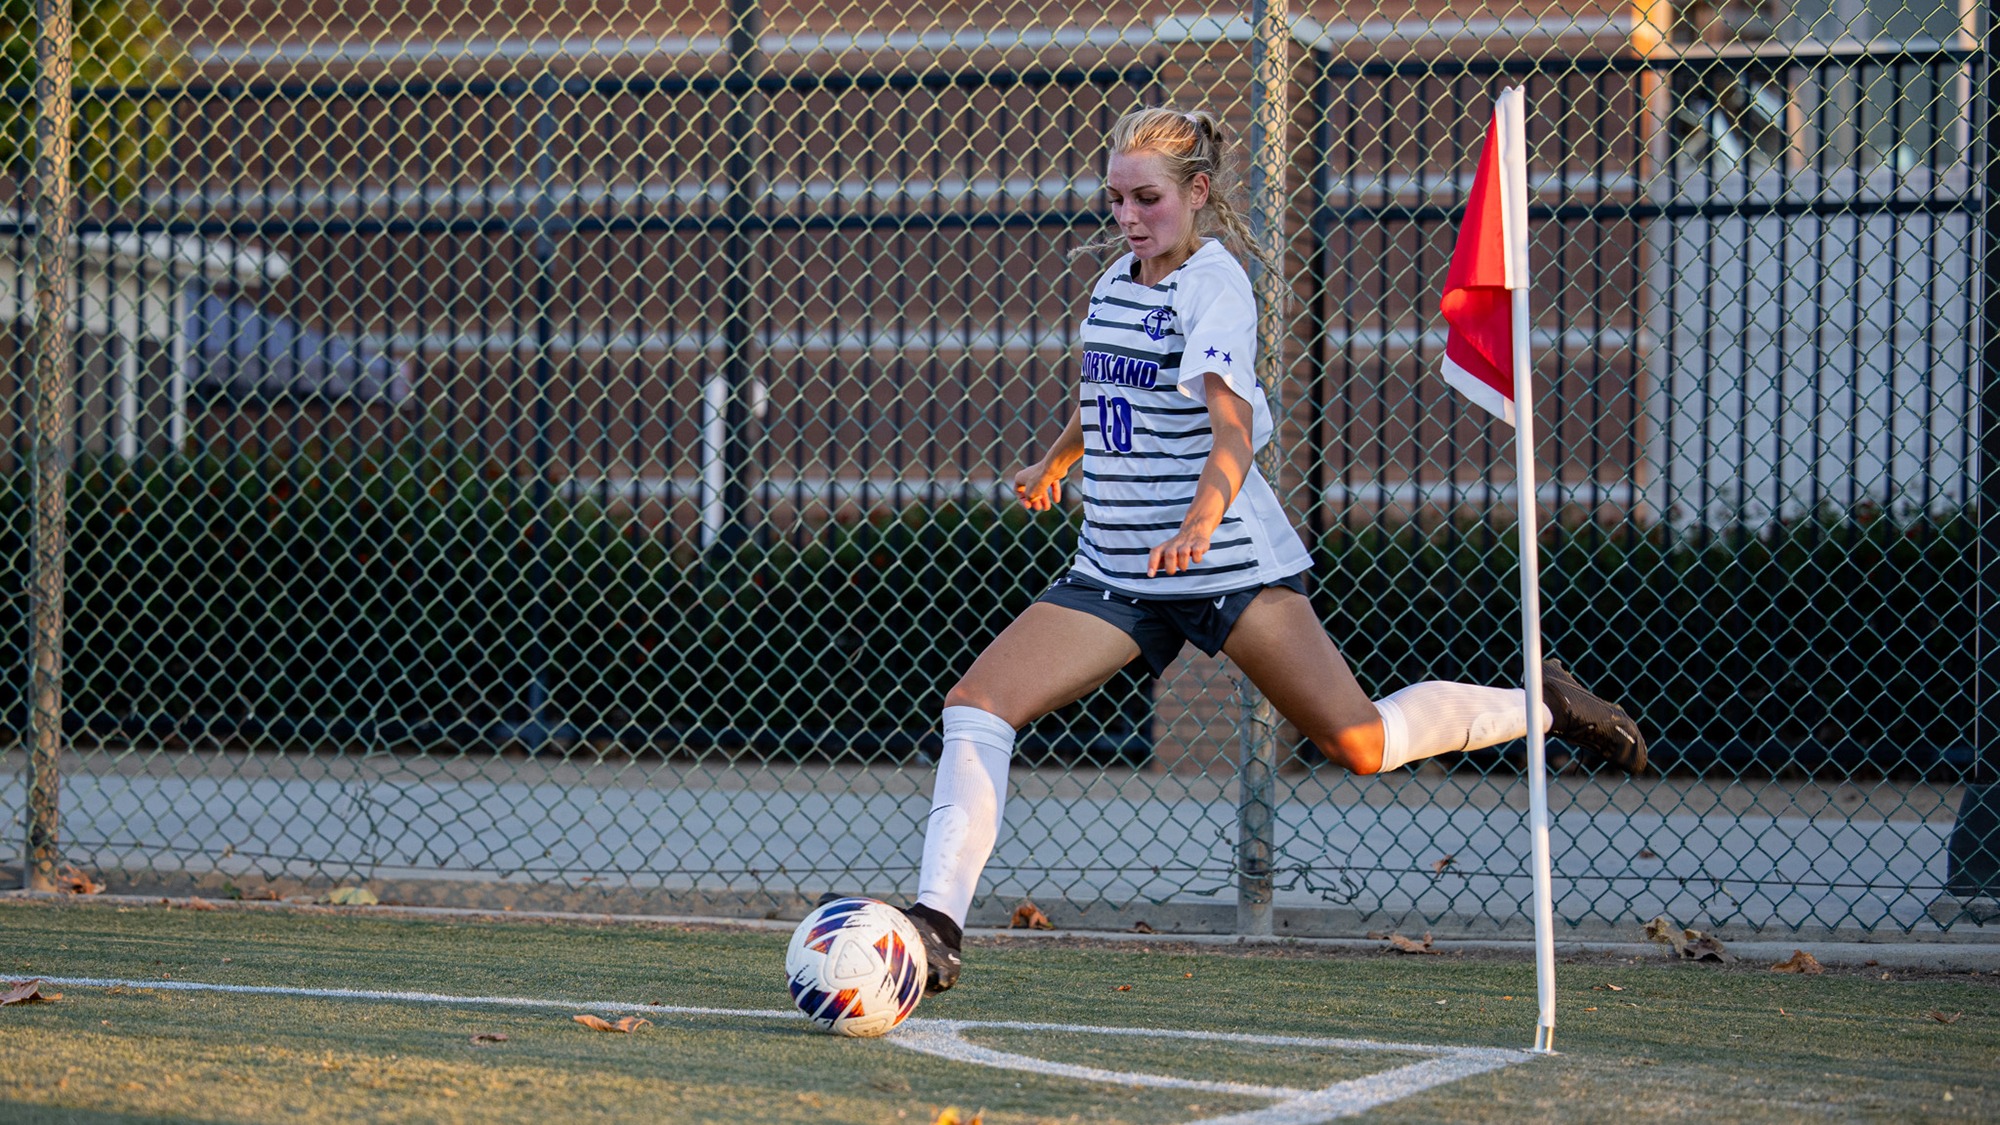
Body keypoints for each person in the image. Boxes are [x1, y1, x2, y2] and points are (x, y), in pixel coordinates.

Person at [895, 106, 1644, 995]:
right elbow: (1107, 390)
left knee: (1359, 742)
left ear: (1197, 193)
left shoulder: (1218, 287)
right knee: (978, 702)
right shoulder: (1113, 283)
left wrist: (1202, 523)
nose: (1130, 216)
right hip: (1115, 568)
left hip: (1229, 566)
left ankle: (1545, 704)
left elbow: (1233, 431)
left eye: (1149, 198)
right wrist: (1057, 459)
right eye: (1116, 198)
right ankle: (934, 926)